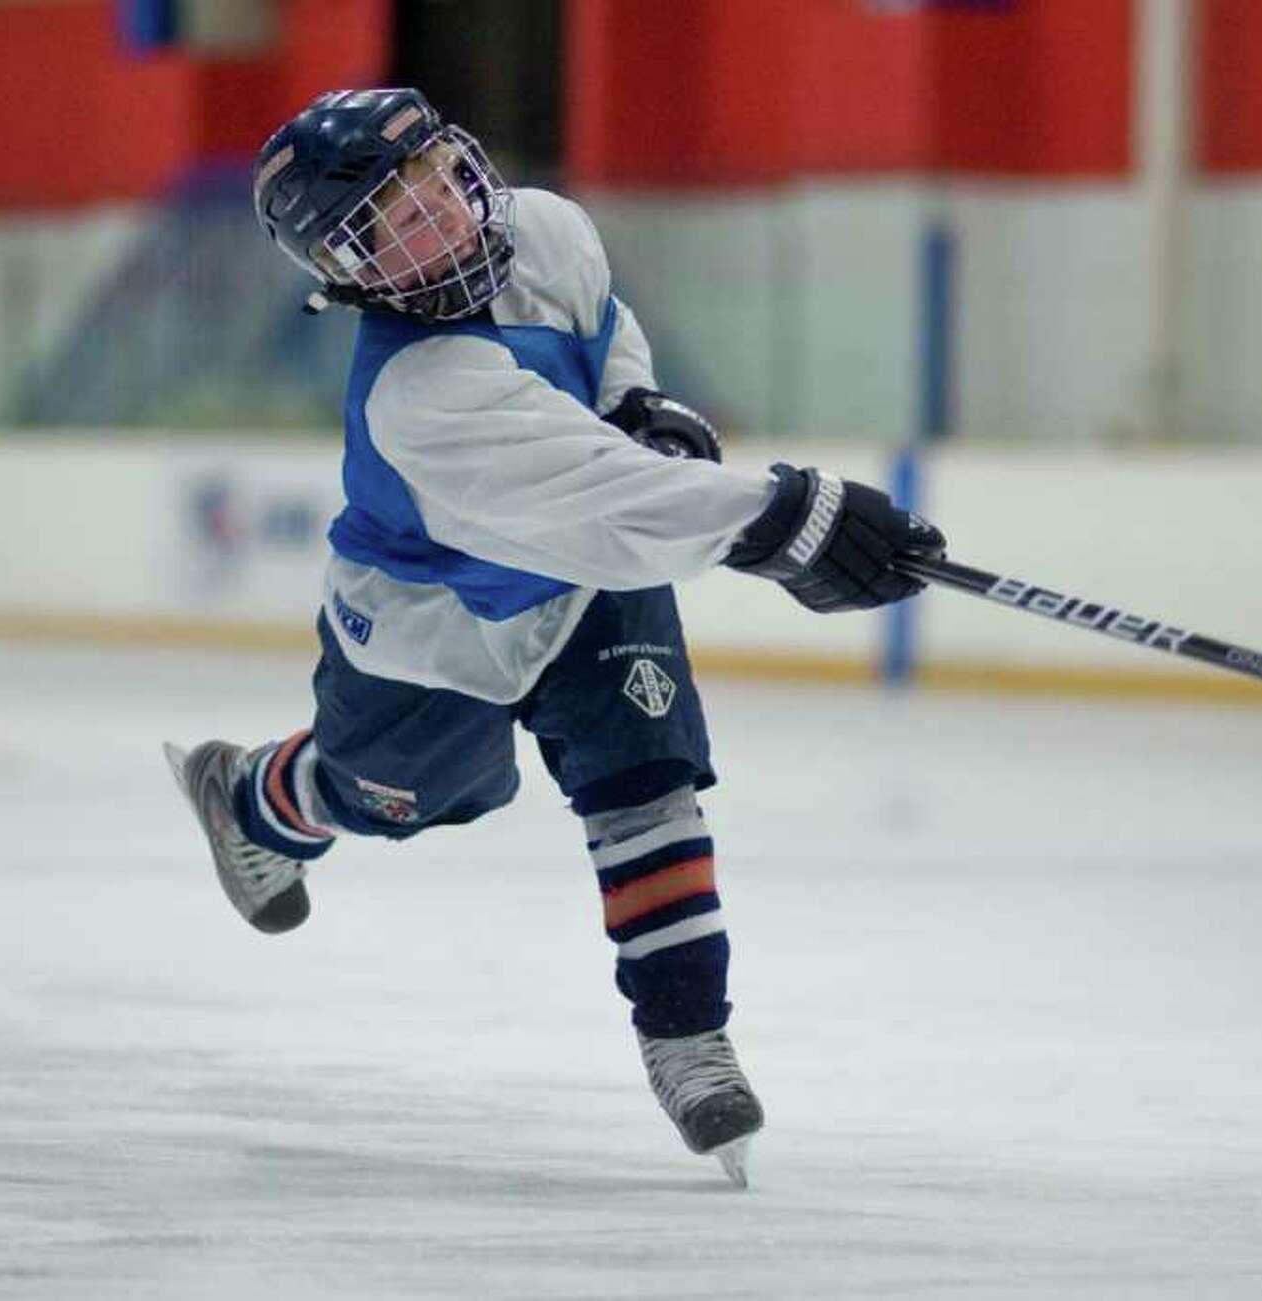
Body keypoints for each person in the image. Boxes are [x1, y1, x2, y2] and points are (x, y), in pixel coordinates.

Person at [165, 87, 946, 1186]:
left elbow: (603, 333)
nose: (435, 222)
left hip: (585, 585)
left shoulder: (547, 228)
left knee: (648, 782)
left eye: (435, 183)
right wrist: (784, 518)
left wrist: (636, 401)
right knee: (388, 793)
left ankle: (687, 1036)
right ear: (348, 275)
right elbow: (603, 499)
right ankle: (252, 798)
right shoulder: (419, 393)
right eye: (390, 225)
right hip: (432, 633)